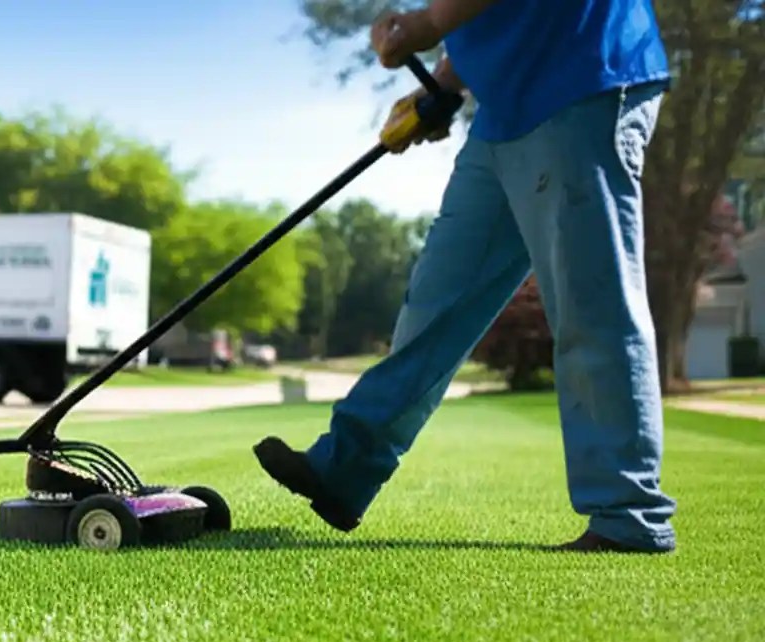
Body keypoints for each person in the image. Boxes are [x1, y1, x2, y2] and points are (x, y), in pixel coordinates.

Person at [254, 0, 677, 553]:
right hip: (503, 111)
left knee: (591, 305)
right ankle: (345, 468)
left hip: (581, 76)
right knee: (435, 303)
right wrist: (445, 86)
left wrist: (425, 27)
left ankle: (628, 516)